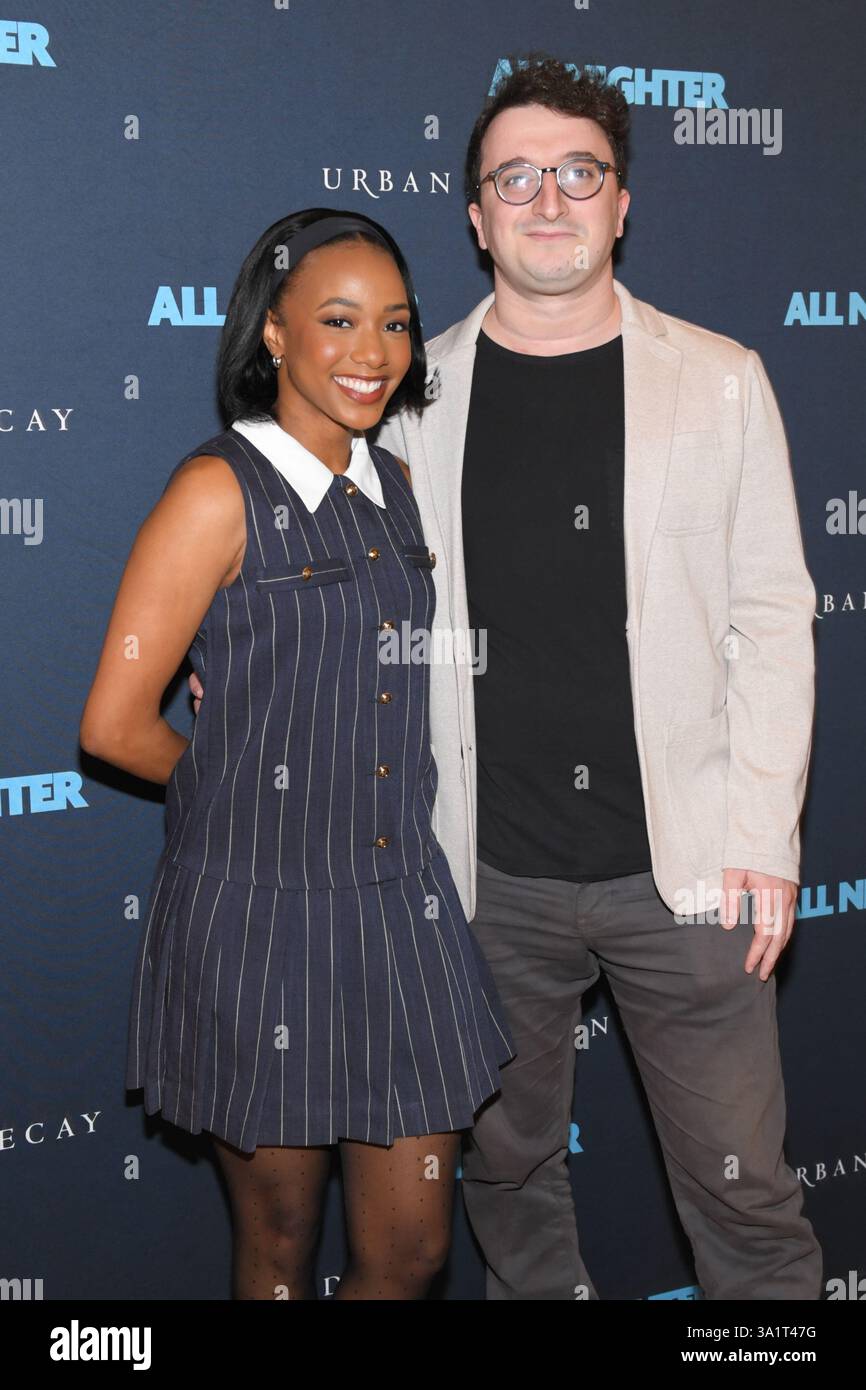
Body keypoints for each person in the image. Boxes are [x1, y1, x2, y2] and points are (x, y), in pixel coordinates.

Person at [371, 54, 822, 1300]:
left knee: (744, 1196)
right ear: (474, 214)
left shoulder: (721, 379)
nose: (546, 198)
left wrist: (764, 840)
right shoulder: (414, 397)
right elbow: (359, 594)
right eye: (513, 176)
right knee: (506, 1183)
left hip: (687, 876)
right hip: (484, 879)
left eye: (577, 171)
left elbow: (773, 615)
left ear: (621, 201)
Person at [79, 207, 515, 1301]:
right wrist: (243, 785)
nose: (372, 353)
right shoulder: (215, 492)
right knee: (277, 1251)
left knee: (411, 1252)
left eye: (397, 325)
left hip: (395, 912)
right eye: (338, 319)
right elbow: (113, 722)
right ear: (272, 332)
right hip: (257, 920)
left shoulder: (396, 488)